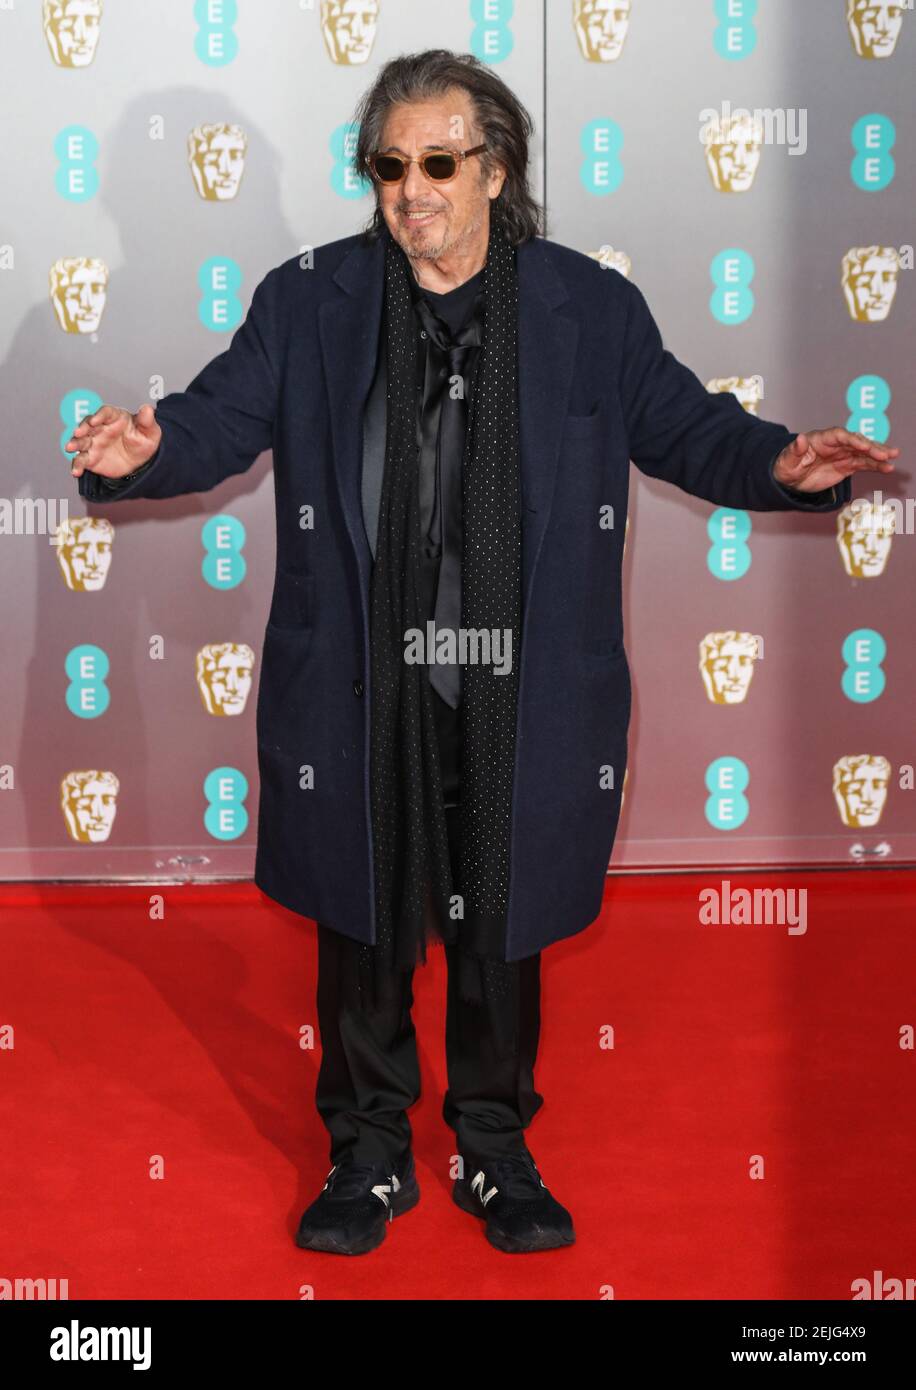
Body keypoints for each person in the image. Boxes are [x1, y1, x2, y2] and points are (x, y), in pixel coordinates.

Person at [68, 49, 897, 1257]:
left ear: (494, 170)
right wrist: (143, 451)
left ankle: (495, 1150)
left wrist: (775, 462)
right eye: (389, 166)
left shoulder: (585, 309)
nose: (411, 191)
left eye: (438, 164)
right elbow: (216, 416)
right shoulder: (310, 301)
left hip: (523, 678)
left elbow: (682, 426)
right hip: (363, 676)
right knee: (362, 918)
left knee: (499, 920)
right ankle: (367, 1153)